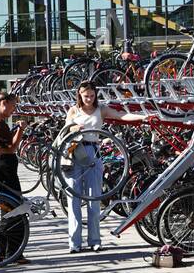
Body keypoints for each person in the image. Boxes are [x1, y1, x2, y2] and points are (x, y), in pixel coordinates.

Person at [60, 82, 142, 253]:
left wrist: (142, 116)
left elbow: (121, 115)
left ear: (96, 94)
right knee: (73, 200)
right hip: (74, 153)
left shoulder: (101, 109)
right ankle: (74, 243)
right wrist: (74, 127)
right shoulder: (73, 110)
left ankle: (95, 241)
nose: (89, 99)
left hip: (93, 152)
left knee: (94, 199)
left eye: (92, 95)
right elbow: (65, 130)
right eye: (85, 96)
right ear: (79, 95)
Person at [0, 91, 28, 265]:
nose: (14, 109)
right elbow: (11, 148)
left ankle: (4, 253)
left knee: (7, 209)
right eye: (13, 105)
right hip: (5, 164)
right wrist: (21, 130)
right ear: (4, 103)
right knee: (15, 209)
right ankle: (13, 253)